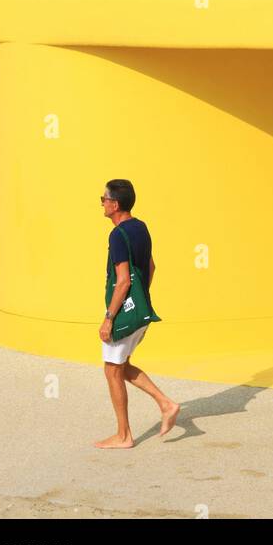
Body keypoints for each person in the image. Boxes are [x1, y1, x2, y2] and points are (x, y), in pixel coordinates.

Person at [95, 179, 180, 449]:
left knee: (111, 370)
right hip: (141, 312)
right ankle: (166, 404)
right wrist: (140, 300)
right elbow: (151, 266)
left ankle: (124, 436)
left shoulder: (118, 235)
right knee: (120, 367)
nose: (102, 204)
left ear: (115, 204)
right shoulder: (141, 227)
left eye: (104, 199)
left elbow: (123, 281)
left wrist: (109, 317)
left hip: (124, 313)